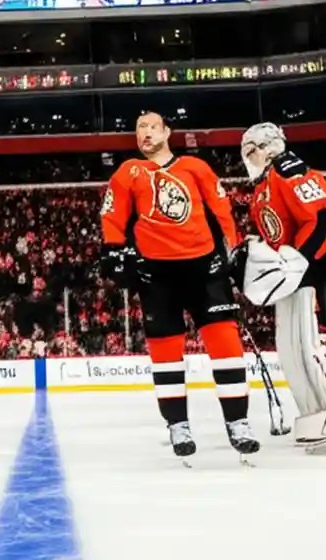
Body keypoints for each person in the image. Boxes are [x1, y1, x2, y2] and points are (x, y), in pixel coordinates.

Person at [98, 111, 258, 459]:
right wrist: (113, 251)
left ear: (167, 132)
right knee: (166, 353)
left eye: (153, 127)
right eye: (140, 128)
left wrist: (230, 250)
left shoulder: (195, 167)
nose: (146, 133)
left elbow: (221, 208)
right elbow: (112, 216)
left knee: (226, 343)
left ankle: (238, 423)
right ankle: (178, 426)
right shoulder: (128, 172)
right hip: (156, 274)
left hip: (205, 269)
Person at [236, 122, 326, 449]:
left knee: (323, 336)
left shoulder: (289, 169)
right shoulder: (261, 188)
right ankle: (321, 409)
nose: (247, 159)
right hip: (305, 268)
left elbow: (321, 218)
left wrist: (301, 260)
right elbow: (278, 235)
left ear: (268, 148)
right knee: (299, 343)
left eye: (251, 151)